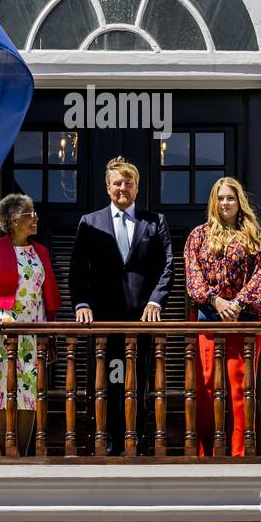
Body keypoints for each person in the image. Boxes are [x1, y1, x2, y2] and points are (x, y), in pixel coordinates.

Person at [70, 155, 174, 455]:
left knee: (139, 383)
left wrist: (156, 300)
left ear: (137, 188)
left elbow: (168, 265)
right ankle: (108, 442)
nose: (123, 188)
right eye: (117, 183)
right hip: (103, 320)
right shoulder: (90, 223)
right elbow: (78, 269)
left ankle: (137, 442)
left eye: (128, 183)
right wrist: (81, 304)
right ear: (108, 187)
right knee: (109, 382)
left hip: (142, 320)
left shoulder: (155, 222)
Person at [183, 176, 261, 457]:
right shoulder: (198, 236)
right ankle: (205, 452)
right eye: (220, 198)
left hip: (244, 319)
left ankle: (240, 453)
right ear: (214, 202)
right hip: (208, 319)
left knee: (240, 388)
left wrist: (237, 303)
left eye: (230, 198)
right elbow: (192, 276)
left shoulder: (259, 237)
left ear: (239, 201)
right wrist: (216, 300)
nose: (225, 203)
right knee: (207, 385)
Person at [0, 193, 61, 455]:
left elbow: (47, 296)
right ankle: (6, 453)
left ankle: (22, 454)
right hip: (3, 330)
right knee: (2, 395)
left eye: (34, 214)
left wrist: (50, 334)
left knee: (29, 396)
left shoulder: (40, 251)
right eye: (30, 214)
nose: (35, 219)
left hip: (34, 331)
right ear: (13, 219)